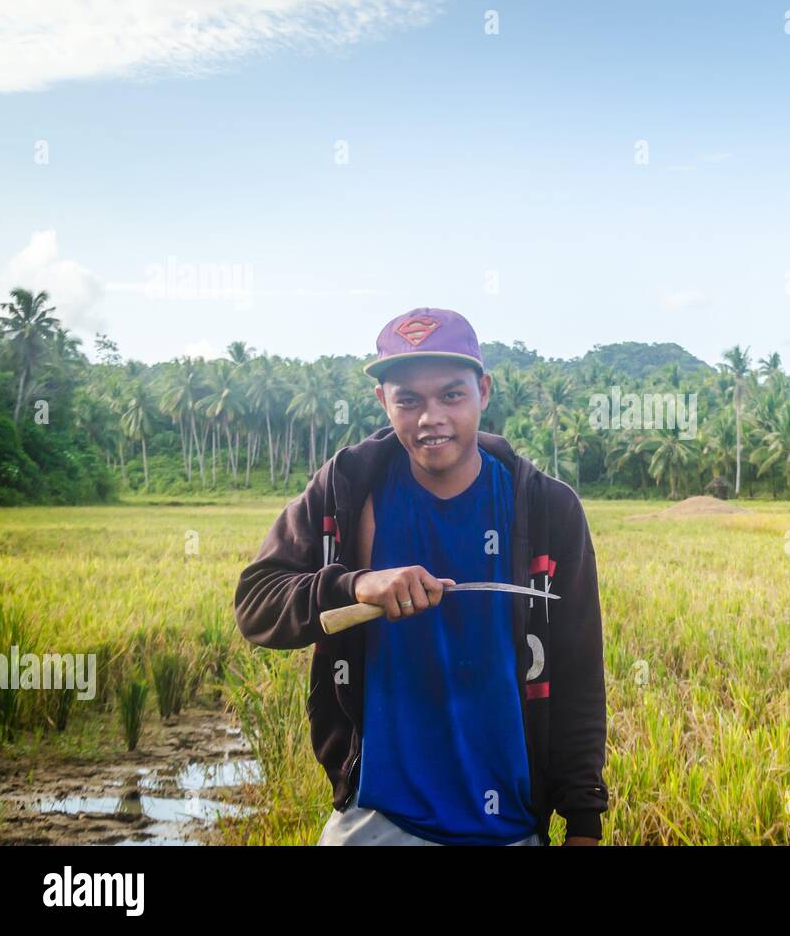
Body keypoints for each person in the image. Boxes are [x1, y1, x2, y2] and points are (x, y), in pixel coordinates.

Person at [233, 307, 608, 846]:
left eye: (451, 395)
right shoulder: (347, 489)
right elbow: (255, 605)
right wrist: (354, 585)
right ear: (383, 401)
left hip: (510, 827)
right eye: (408, 399)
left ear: (484, 390)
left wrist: (584, 822)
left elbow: (578, 673)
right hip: (377, 820)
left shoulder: (548, 510)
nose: (430, 416)